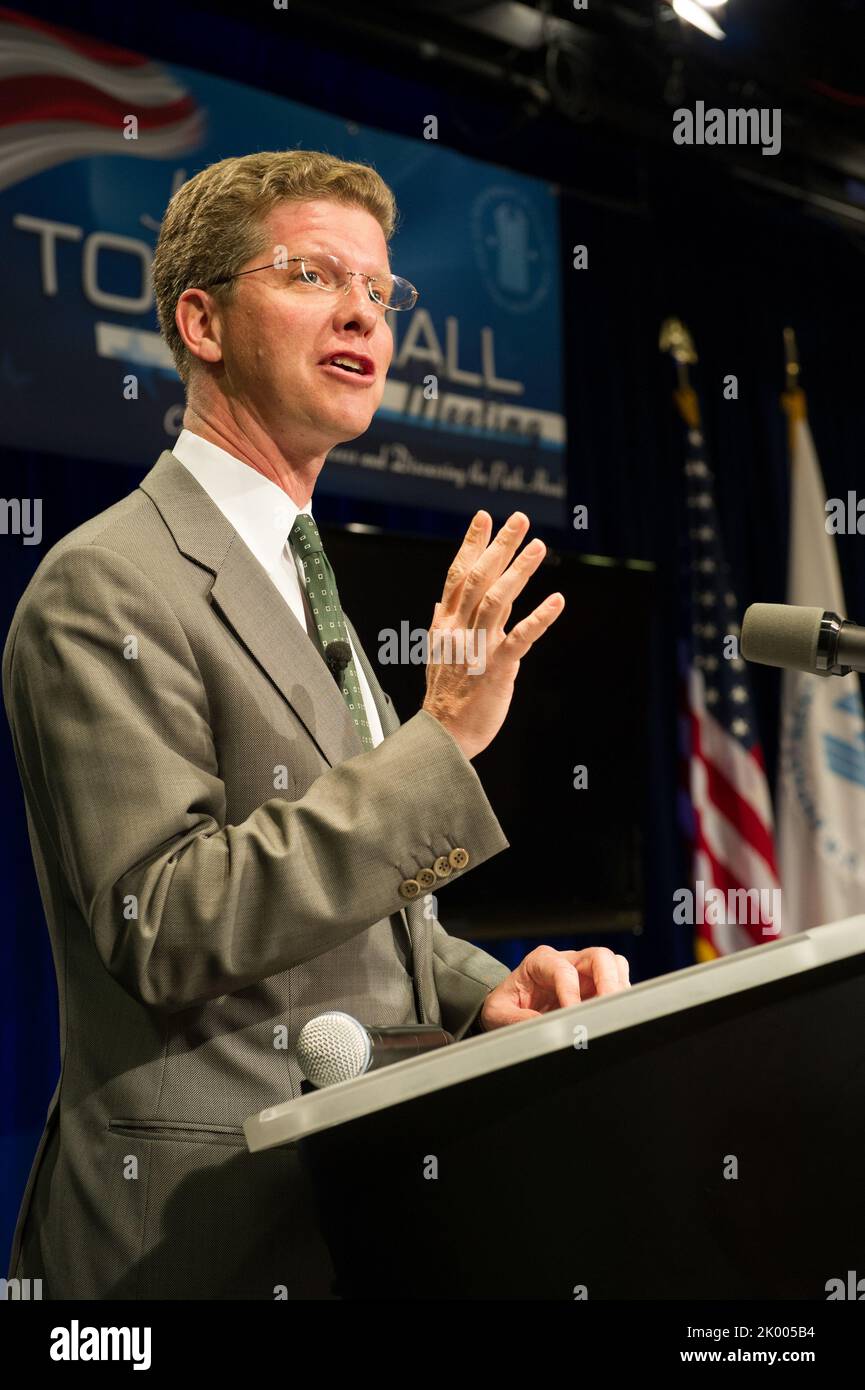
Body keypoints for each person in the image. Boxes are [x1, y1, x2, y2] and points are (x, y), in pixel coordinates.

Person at [3, 150, 630, 1300]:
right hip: (189, 1240)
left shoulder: (302, 576)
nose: (362, 313)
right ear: (201, 319)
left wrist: (474, 989)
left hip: (349, 1207)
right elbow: (172, 917)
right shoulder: (106, 583)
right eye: (311, 275)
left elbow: (358, 922)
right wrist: (437, 739)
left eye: (381, 292)